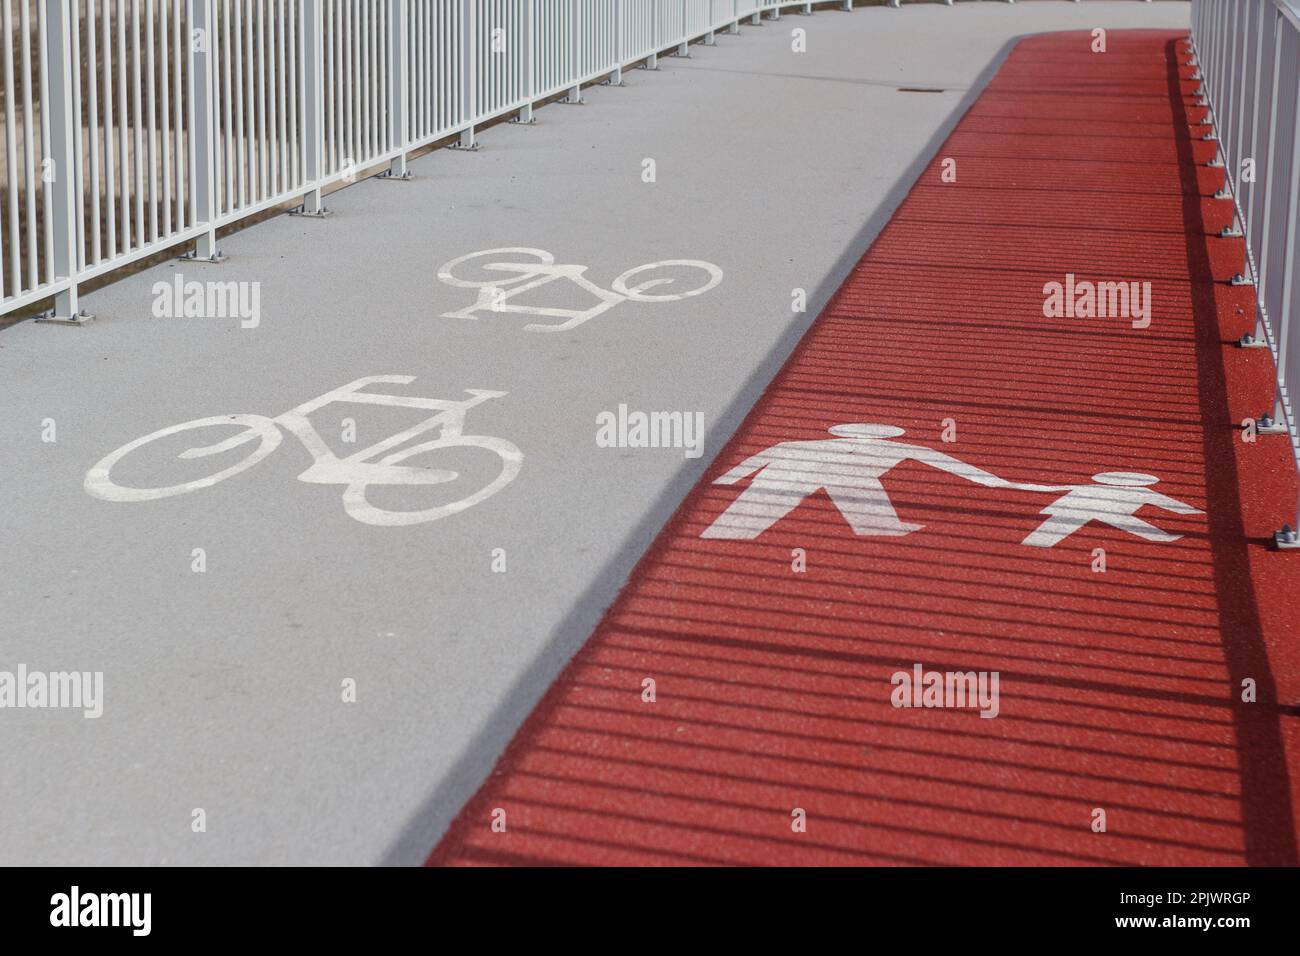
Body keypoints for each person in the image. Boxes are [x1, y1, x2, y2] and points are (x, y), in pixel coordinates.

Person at [701, 423, 1012, 540]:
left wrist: (725, 481)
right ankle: (878, 526)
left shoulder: (796, 447)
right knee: (853, 476)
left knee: (739, 522)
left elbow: (766, 456)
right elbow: (956, 468)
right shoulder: (898, 448)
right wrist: (1007, 485)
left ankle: (732, 529)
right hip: (817, 471)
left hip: (790, 471)